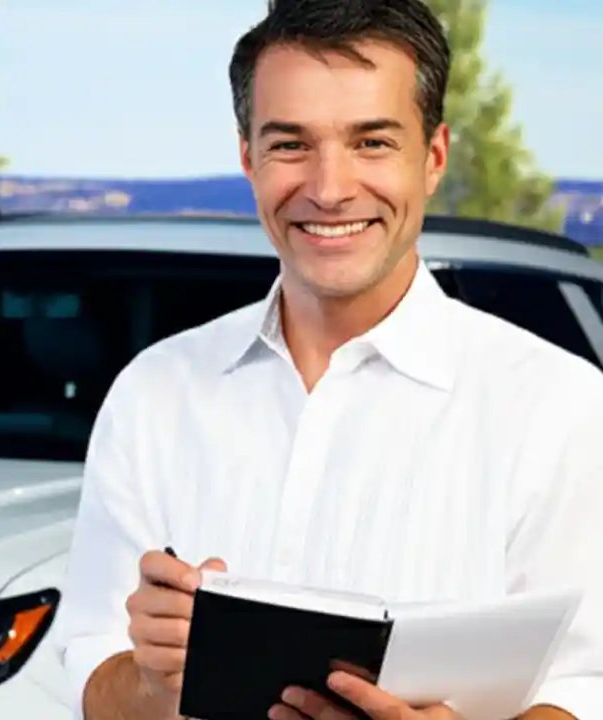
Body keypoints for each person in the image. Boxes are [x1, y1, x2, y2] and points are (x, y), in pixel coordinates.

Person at [52, 1, 603, 719]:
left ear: (433, 158)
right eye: (290, 145)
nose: (329, 188)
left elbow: (587, 686)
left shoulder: (560, 406)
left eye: (372, 142)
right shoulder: (155, 393)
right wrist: (152, 684)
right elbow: (94, 679)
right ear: (248, 159)